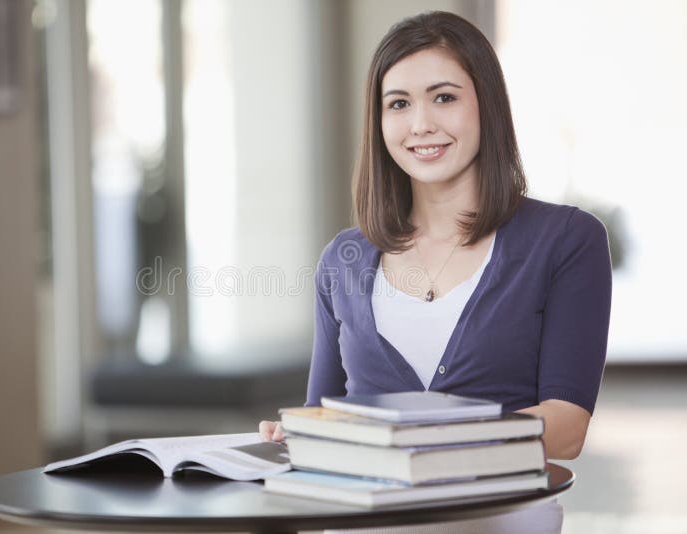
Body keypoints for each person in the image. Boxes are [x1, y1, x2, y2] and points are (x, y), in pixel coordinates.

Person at [259, 10, 611, 533]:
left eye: (443, 97)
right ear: (378, 123)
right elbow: (323, 415)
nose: (421, 124)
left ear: (485, 105)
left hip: (500, 521)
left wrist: (414, 440)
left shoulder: (566, 241)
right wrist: (295, 433)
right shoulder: (343, 259)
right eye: (398, 104)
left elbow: (566, 430)